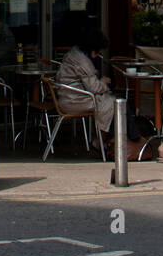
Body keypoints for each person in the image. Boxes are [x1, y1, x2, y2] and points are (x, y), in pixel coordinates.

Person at [54, 29, 145, 160]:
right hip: (75, 101)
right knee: (116, 104)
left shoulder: (74, 54)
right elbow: (94, 87)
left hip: (70, 97)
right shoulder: (82, 61)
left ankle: (124, 137)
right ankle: (125, 139)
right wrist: (104, 82)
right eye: (99, 51)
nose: (99, 54)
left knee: (116, 103)